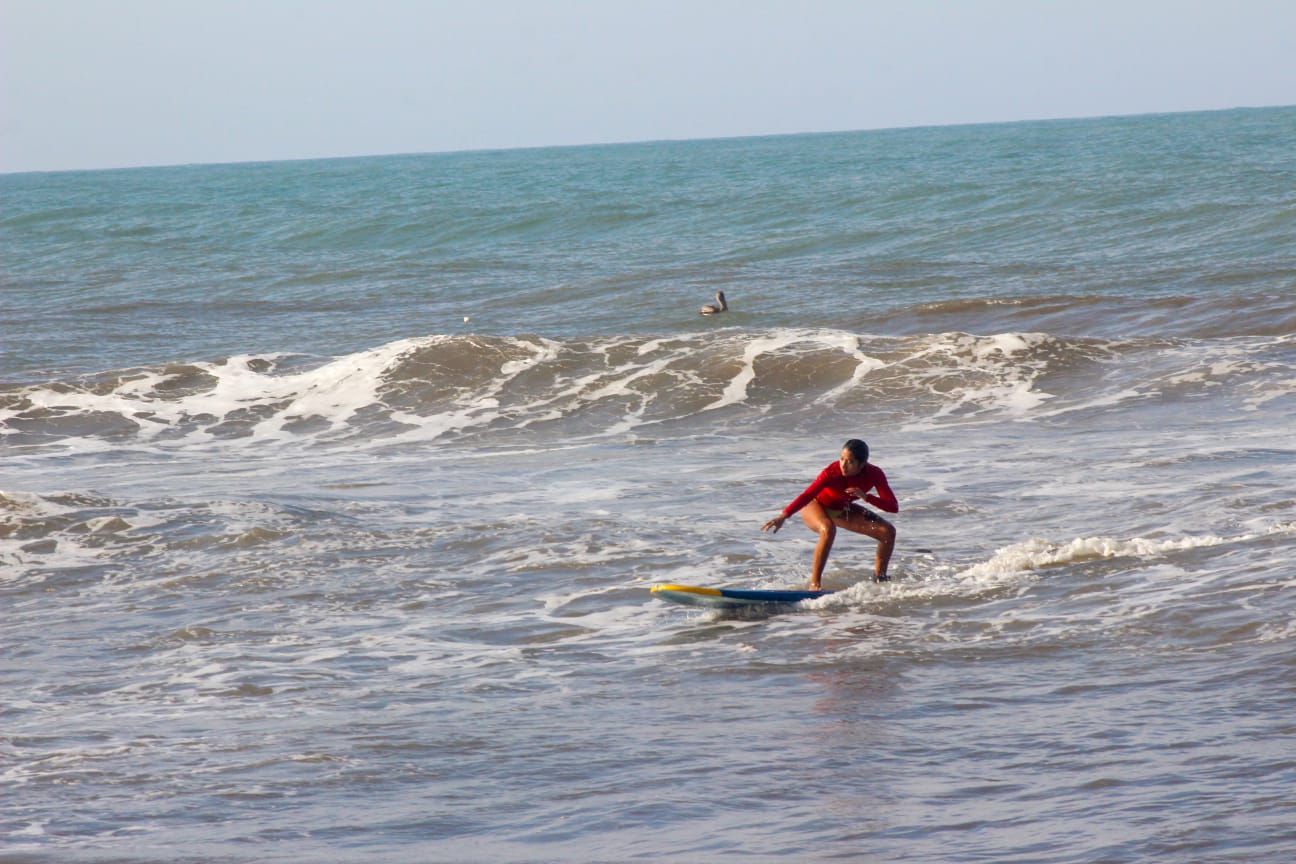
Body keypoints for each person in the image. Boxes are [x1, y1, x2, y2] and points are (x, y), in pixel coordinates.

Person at [761, 439, 898, 588]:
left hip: (841, 509)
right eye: (842, 459)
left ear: (862, 464)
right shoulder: (831, 472)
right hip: (814, 505)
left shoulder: (874, 474)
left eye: (850, 461)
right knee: (828, 529)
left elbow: (892, 506)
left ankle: (880, 579)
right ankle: (815, 584)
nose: (843, 465)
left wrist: (866, 497)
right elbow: (807, 495)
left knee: (888, 532)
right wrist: (784, 516)